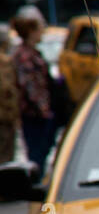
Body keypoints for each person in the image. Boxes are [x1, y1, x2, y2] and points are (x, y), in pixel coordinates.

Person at [10, 16, 57, 171]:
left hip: (38, 112)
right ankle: (35, 183)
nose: (42, 31)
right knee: (37, 153)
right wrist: (43, 110)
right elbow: (30, 87)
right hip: (34, 114)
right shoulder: (24, 56)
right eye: (40, 28)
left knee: (42, 151)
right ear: (31, 31)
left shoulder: (32, 52)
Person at [0, 25, 20, 164]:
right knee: (5, 158)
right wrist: (15, 115)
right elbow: (7, 91)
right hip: (4, 118)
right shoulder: (4, 62)